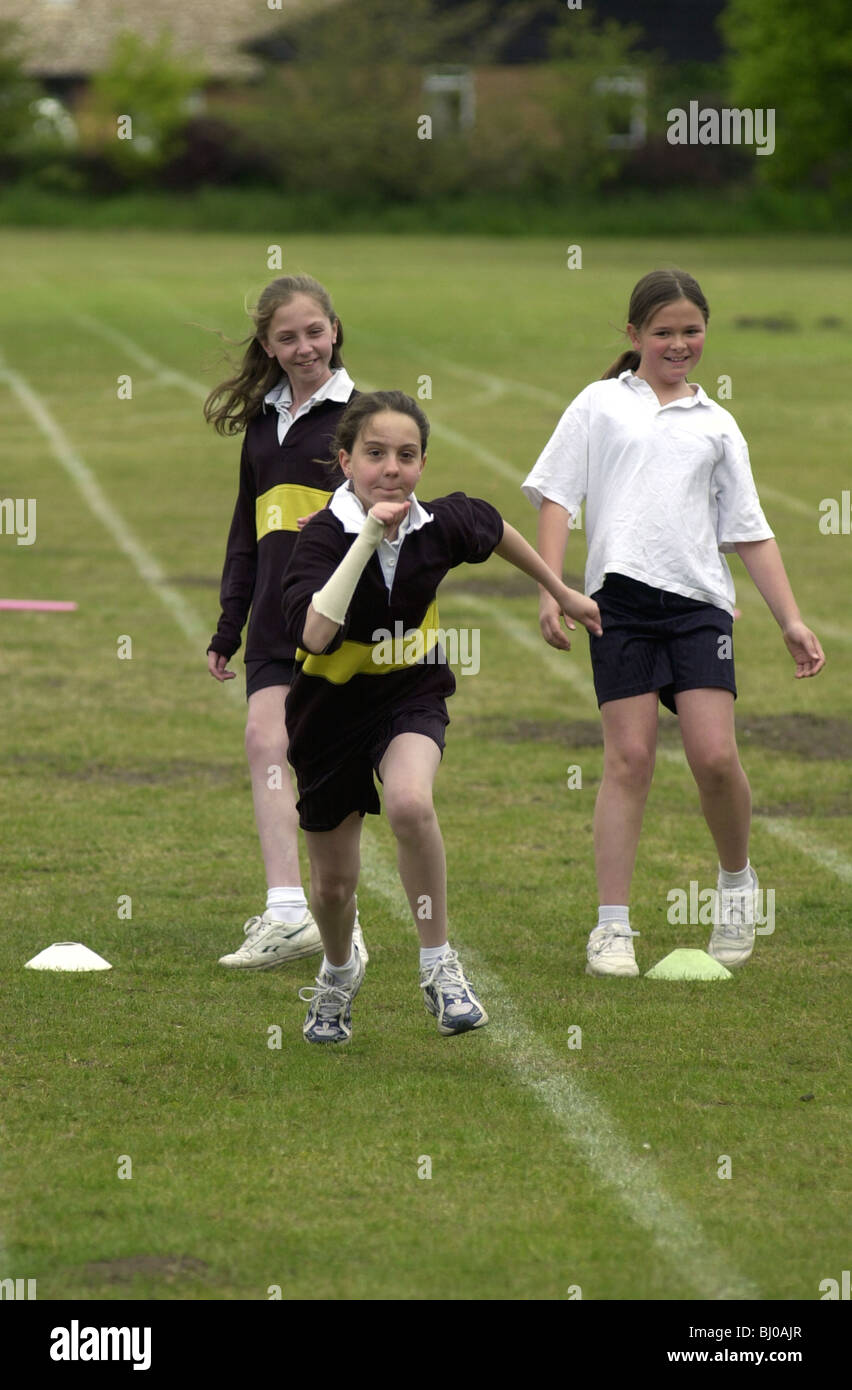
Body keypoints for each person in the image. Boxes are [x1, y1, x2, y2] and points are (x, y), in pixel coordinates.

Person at [522, 268, 825, 978]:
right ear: (634, 336)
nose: (679, 343)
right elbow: (557, 499)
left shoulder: (717, 423)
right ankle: (612, 928)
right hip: (615, 607)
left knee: (715, 758)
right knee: (629, 760)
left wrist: (791, 619)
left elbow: (749, 530)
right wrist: (551, 588)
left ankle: (734, 887)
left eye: (691, 330)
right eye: (664, 332)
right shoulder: (599, 405)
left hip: (698, 608)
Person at [280, 390, 602, 1043]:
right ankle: (339, 973)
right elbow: (314, 633)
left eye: (406, 455)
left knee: (409, 804)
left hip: (409, 694)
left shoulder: (439, 524)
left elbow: (493, 526)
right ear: (346, 462)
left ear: (424, 463)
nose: (391, 468)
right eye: (375, 454)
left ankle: (440, 966)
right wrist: (370, 533)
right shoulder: (320, 536)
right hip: (327, 713)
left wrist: (557, 587)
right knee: (333, 887)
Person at [204, 274, 365, 970]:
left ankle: (341, 921)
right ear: (268, 347)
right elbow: (247, 531)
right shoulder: (264, 427)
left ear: (334, 329)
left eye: (314, 332)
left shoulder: (362, 419)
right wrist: (227, 623)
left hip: (339, 623)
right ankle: (285, 911)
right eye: (287, 337)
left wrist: (337, 522)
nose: (304, 347)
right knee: (263, 741)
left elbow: (390, 512)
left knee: (327, 764)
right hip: (273, 623)